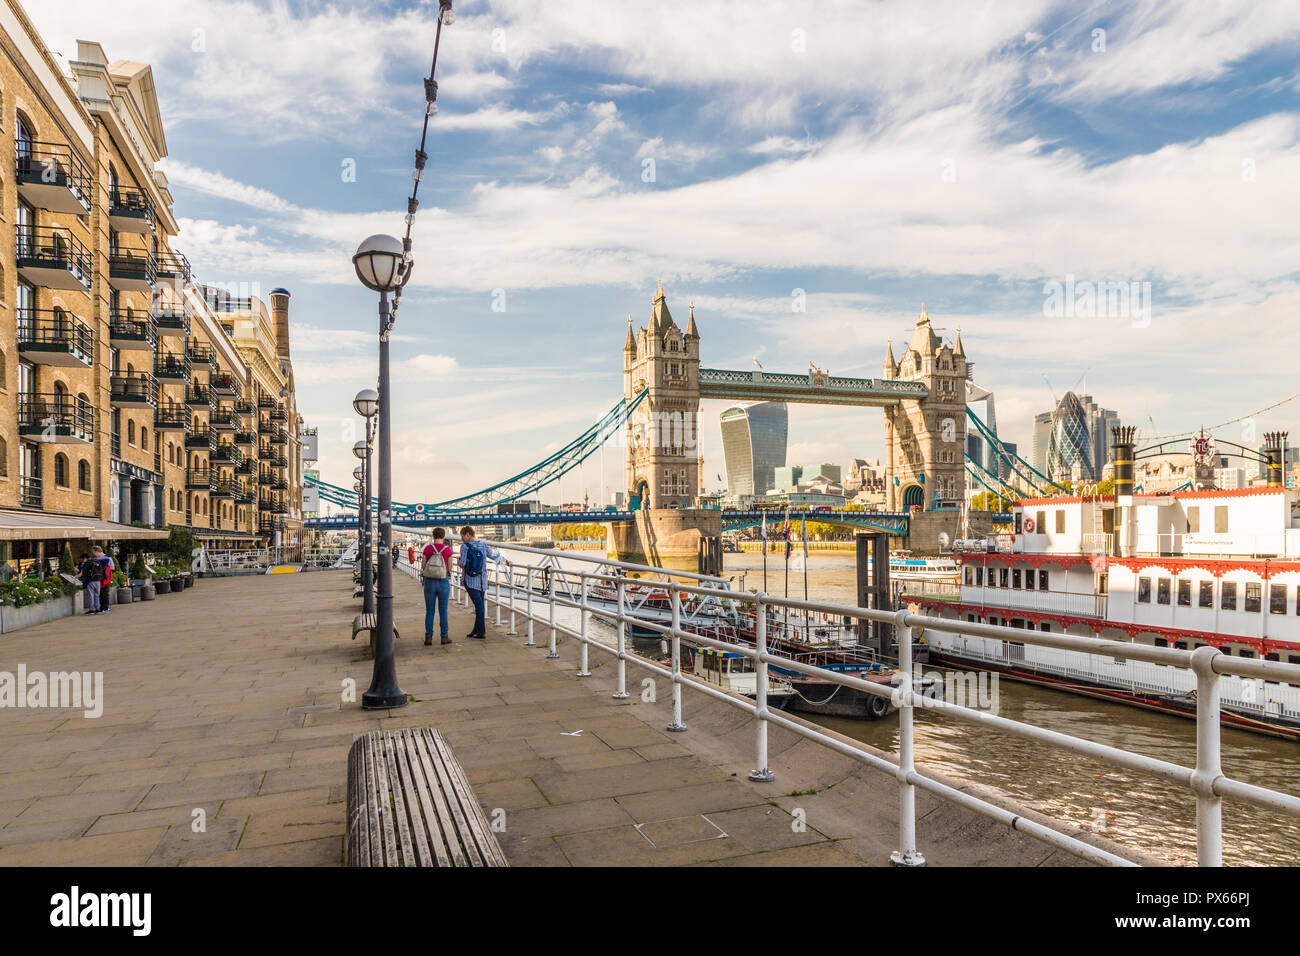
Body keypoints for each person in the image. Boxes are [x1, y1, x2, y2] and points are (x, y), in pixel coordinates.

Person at [458, 526, 505, 640]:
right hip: (482, 581)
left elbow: (463, 564)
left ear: (468, 534)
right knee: (479, 606)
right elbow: (494, 556)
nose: (462, 539)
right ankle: (476, 630)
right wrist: (505, 561)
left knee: (479, 607)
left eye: (462, 536)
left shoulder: (464, 547)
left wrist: (458, 561)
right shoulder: (483, 545)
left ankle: (482, 631)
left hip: (470, 581)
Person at [421, 527, 453, 647]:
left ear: (433, 536)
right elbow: (449, 567)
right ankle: (444, 636)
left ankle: (428, 637)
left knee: (430, 611)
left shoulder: (428, 548)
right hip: (443, 581)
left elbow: (423, 566)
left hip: (429, 582)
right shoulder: (447, 549)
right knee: (443, 610)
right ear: (444, 537)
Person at [91, 546, 114, 614]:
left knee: (105, 593)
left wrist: (102, 567)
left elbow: (112, 567)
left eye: (94, 552)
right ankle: (101, 608)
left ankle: (105, 608)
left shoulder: (108, 558)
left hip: (105, 578)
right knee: (100, 593)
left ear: (97, 551)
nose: (94, 554)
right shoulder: (95, 559)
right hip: (98, 578)